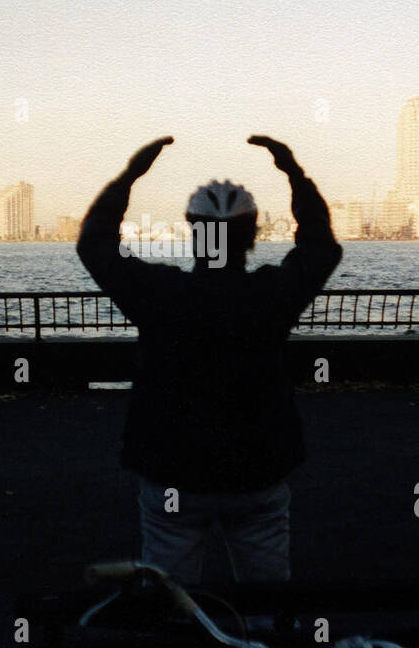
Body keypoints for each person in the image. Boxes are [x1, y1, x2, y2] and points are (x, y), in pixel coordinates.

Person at [77, 136, 342, 585]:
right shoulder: (272, 295)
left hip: (172, 473)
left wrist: (129, 176)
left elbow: (94, 245)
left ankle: (184, 647)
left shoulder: (160, 293)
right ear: (254, 234)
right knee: (267, 601)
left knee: (172, 600)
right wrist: (294, 173)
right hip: (257, 473)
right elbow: (320, 247)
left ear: (193, 232)